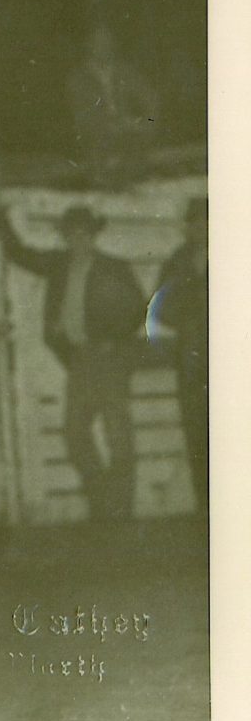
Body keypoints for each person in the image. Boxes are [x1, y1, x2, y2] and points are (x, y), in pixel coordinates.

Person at [0, 202, 146, 521]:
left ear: (93, 235)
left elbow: (139, 310)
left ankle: (122, 512)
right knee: (74, 435)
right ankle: (103, 502)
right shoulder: (58, 264)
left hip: (109, 361)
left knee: (118, 436)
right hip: (80, 361)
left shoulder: (114, 268)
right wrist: (0, 220)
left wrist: (113, 341)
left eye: (83, 233)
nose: (77, 240)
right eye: (71, 234)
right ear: (65, 236)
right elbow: (20, 254)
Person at [154, 197, 208, 513]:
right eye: (194, 222)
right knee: (197, 433)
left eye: (206, 221)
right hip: (192, 359)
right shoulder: (176, 261)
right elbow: (161, 307)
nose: (200, 228)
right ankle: (206, 508)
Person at [65, 22, 161, 187]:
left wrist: (147, 122)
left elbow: (151, 98)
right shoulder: (78, 79)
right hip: (96, 136)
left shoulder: (124, 72)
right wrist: (111, 125)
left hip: (128, 130)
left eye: (106, 41)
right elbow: (82, 116)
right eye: (98, 42)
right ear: (88, 46)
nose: (103, 47)